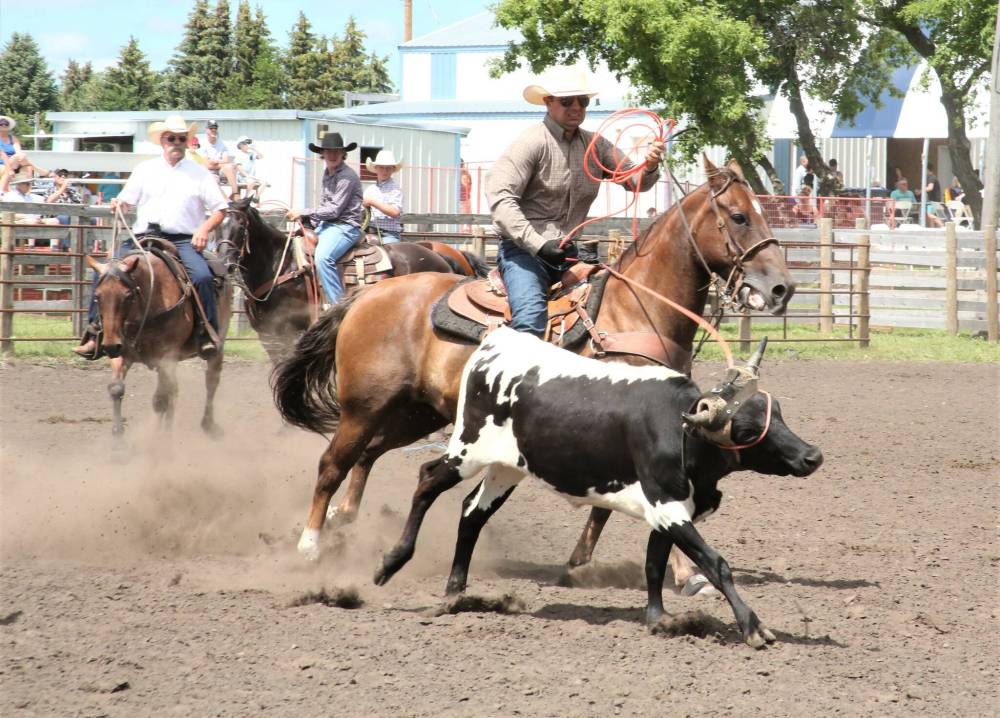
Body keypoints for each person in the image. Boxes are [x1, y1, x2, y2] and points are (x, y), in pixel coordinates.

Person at [486, 68, 664, 335]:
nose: (576, 107)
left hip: (568, 254)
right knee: (530, 317)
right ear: (548, 102)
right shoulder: (531, 142)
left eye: (583, 101)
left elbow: (635, 182)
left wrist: (649, 164)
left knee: (610, 309)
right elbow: (500, 199)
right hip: (524, 252)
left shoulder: (596, 145)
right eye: (567, 101)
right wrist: (538, 244)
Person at [73, 115, 228, 358]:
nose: (176, 142)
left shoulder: (200, 173)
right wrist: (120, 203)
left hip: (183, 239)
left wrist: (204, 229)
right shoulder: (145, 170)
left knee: (202, 277)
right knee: (104, 274)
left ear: (187, 142)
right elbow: (127, 199)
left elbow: (221, 209)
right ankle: (95, 333)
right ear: (162, 141)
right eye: (171, 138)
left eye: (181, 138)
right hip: (143, 238)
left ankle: (206, 332)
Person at [286, 132, 363, 306]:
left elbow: (334, 210)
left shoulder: (347, 176)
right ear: (323, 154)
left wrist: (304, 212)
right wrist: (309, 223)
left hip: (346, 227)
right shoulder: (327, 173)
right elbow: (323, 204)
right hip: (328, 225)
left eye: (336, 152)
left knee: (322, 258)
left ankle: (338, 307)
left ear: (343, 153)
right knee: (296, 247)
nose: (332, 155)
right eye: (328, 151)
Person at [362, 149, 404, 244]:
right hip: (370, 232)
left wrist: (372, 202)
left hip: (389, 234)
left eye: (388, 168)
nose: (384, 171)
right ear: (376, 168)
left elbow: (395, 212)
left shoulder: (395, 190)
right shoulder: (370, 189)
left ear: (393, 169)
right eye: (381, 167)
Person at [196, 119, 239, 200]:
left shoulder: (222, 143)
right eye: (211, 128)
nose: (213, 130)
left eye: (215, 128)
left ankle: (235, 194)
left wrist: (216, 163)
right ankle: (227, 203)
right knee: (212, 181)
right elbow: (208, 165)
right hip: (208, 173)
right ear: (206, 130)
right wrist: (219, 163)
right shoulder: (202, 144)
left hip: (220, 170)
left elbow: (226, 160)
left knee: (229, 167)